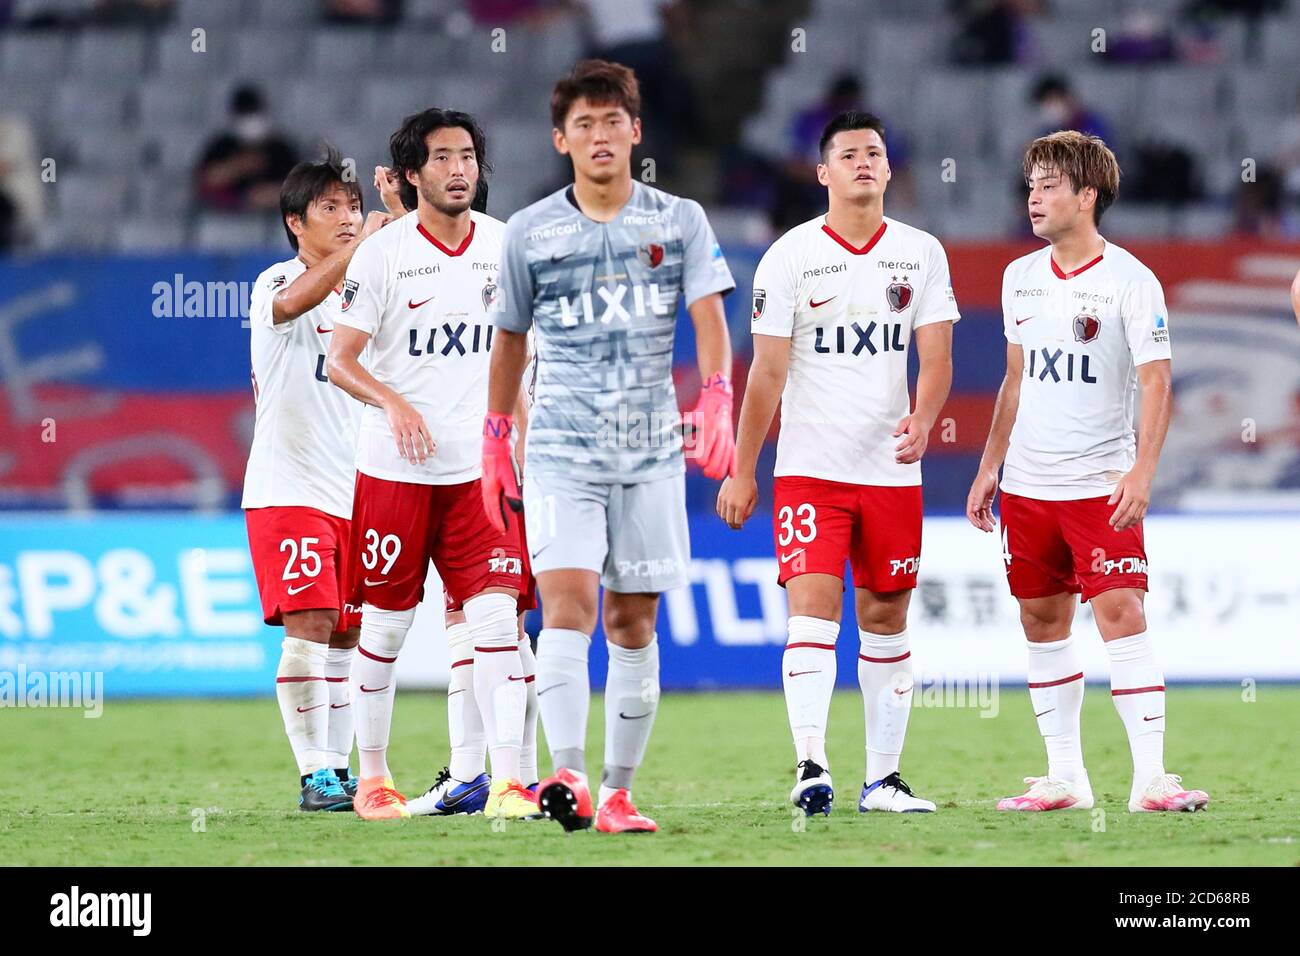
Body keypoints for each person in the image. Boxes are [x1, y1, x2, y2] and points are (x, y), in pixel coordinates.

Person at [481, 59, 737, 834]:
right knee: (565, 610)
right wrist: (497, 434)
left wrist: (718, 393)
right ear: (562, 139)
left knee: (633, 624)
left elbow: (708, 318)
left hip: (652, 450)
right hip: (560, 446)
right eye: (583, 124)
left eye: (611, 121)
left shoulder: (679, 219)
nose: (599, 135)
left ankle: (620, 791)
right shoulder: (530, 232)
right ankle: (568, 774)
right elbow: (509, 342)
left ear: (636, 131)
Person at [717, 110, 956, 816]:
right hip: (811, 469)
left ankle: (882, 780)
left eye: (873, 153)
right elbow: (765, 374)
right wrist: (742, 467)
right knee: (813, 612)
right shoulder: (789, 257)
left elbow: (936, 357)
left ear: (887, 170)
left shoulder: (920, 253)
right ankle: (811, 765)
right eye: (847, 153)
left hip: (890, 472)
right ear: (822, 172)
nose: (862, 162)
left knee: (886, 617)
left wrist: (925, 414)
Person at [966, 130, 1209, 814]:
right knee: (1042, 622)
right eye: (1031, 185)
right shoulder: (1020, 278)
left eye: (1048, 185)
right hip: (1028, 488)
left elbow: (1158, 384)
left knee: (1121, 613)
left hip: (1099, 482)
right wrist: (991, 466)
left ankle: (1151, 781)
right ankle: (1065, 779)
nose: (1034, 197)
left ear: (1087, 196)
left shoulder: (1131, 281)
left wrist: (1142, 471)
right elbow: (1015, 382)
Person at [326, 109, 536, 821]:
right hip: (395, 472)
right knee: (383, 631)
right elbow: (340, 359)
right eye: (442, 157)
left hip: (481, 476)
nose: (458, 169)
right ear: (412, 175)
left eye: (468, 156)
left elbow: (522, 361)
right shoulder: (382, 256)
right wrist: (394, 404)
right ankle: (373, 778)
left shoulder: (507, 247)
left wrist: (520, 449)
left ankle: (507, 784)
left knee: (496, 625)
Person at [242, 148, 390, 811]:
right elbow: (300, 299)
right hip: (289, 487)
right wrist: (365, 248)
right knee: (310, 622)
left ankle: (337, 767)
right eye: (330, 207)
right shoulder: (274, 282)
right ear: (295, 222)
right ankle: (313, 774)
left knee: (349, 635)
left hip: (359, 490)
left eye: (354, 207)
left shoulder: (366, 296)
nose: (348, 218)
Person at [195, 85, 298, 213]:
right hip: (227, 217)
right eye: (245, 115)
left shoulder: (280, 148)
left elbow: (299, 188)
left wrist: (270, 195)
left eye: (253, 114)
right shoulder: (222, 145)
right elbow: (204, 181)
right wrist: (237, 167)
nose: (249, 122)